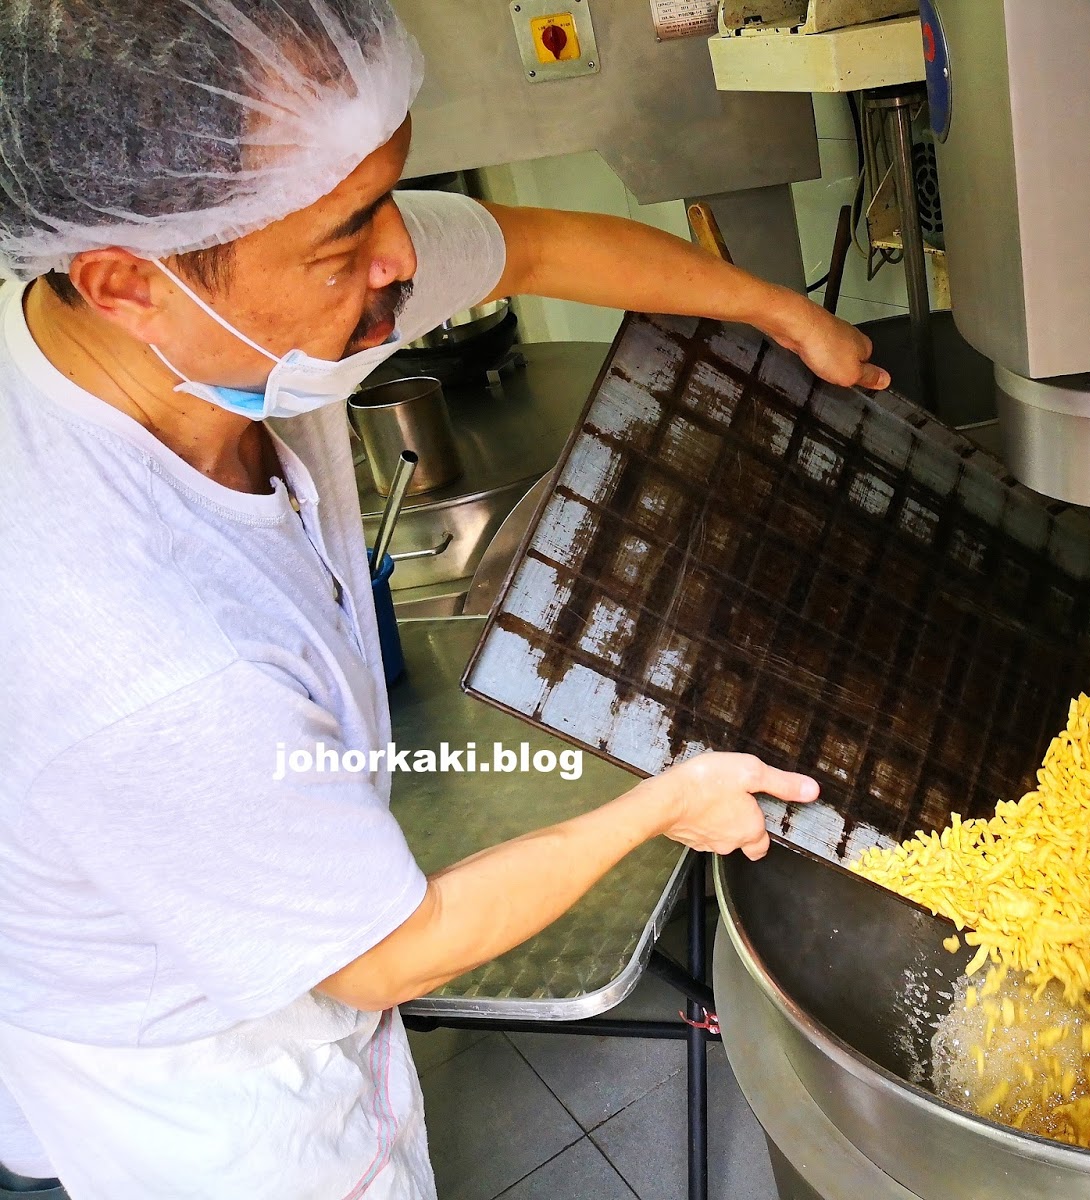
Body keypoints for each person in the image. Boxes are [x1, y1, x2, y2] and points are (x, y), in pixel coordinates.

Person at [0, 3, 888, 1197]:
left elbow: (530, 248)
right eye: (345, 240)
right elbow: (388, 955)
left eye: (387, 199)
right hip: (206, 1078)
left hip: (220, 883)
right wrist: (662, 803)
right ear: (123, 282)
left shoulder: (224, 305)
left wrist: (778, 311)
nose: (399, 262)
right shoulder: (137, 648)